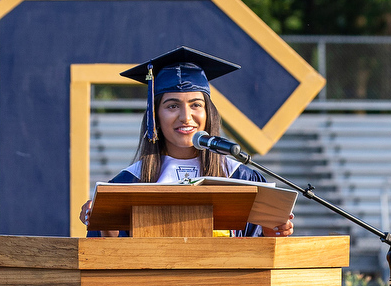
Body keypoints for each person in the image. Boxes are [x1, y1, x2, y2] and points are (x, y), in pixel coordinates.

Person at [80, 46, 294, 238]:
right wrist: (106, 229)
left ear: (208, 112)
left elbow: (262, 257)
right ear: (154, 116)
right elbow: (111, 262)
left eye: (196, 105)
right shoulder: (128, 183)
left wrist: (272, 234)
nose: (186, 116)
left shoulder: (241, 178)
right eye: (172, 106)